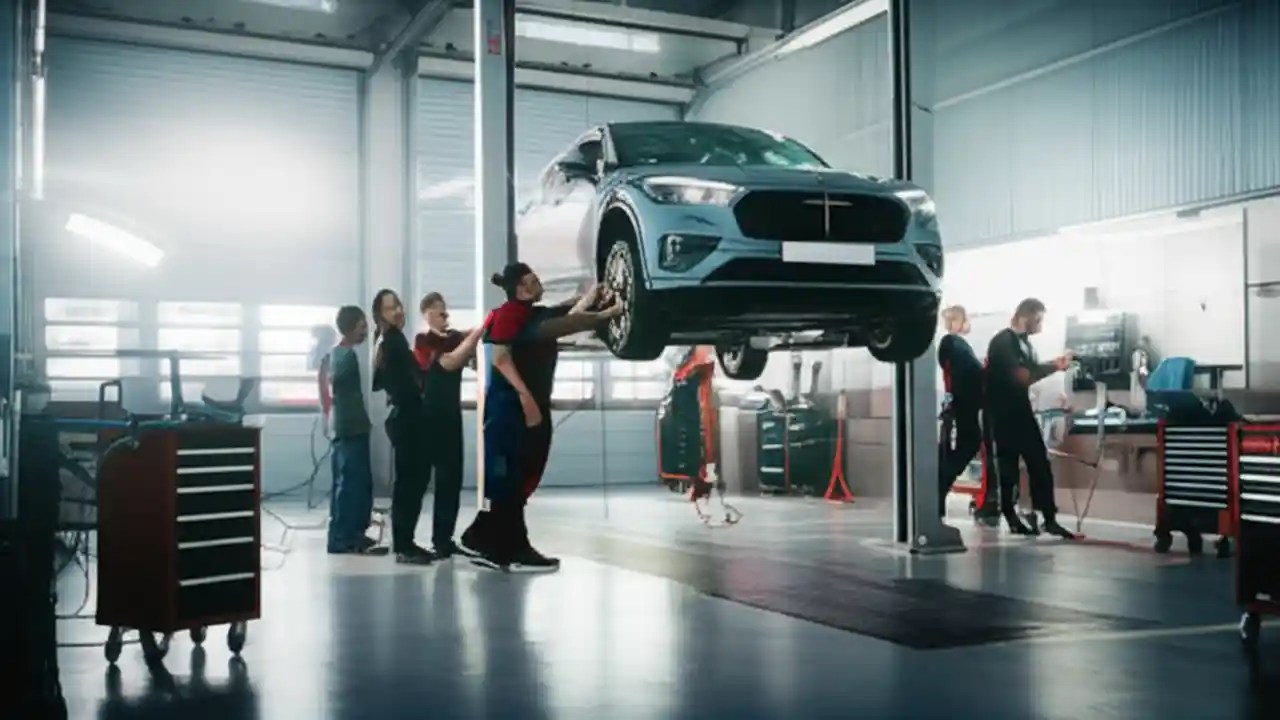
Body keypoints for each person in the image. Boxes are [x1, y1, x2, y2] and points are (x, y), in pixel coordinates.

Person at [460, 262, 621, 572]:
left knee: (517, 477)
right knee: (511, 478)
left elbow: (562, 316)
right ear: (521, 288)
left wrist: (591, 296)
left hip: (524, 406)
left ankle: (480, 537)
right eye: (533, 280)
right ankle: (513, 549)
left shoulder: (529, 314)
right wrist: (525, 397)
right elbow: (500, 357)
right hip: (510, 409)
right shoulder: (508, 315)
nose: (539, 283)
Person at [985, 298, 1077, 539]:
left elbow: (1030, 375)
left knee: (1039, 463)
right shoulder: (1003, 342)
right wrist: (1054, 366)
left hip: (1021, 410)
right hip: (1003, 413)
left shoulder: (1025, 345)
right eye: (1038, 319)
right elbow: (1022, 376)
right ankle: (1010, 515)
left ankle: (1049, 518)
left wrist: (1054, 365)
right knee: (1008, 468)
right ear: (1025, 317)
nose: (1040, 325)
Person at [412, 292, 483, 558]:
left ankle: (444, 539)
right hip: (430, 418)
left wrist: (475, 334)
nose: (444, 316)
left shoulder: (453, 338)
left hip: (452, 417)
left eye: (445, 311)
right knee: (429, 477)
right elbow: (449, 362)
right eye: (438, 311)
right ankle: (412, 539)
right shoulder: (423, 341)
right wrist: (475, 334)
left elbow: (467, 343)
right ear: (426, 313)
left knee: (451, 479)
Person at [370, 288, 437, 565]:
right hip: (408, 418)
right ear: (380, 315)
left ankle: (404, 543)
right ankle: (404, 546)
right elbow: (408, 383)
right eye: (389, 308)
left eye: (398, 304)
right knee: (412, 482)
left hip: (403, 417)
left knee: (410, 482)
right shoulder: (393, 340)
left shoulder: (388, 340)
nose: (398, 310)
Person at [326, 307, 386, 555]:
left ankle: (355, 534)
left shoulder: (343, 354)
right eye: (361, 326)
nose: (365, 330)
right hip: (349, 429)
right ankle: (343, 538)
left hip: (353, 427)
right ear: (350, 328)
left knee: (358, 484)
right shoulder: (343, 356)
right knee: (350, 485)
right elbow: (335, 383)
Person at [937, 305, 986, 518]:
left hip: (959, 405)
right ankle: (941, 484)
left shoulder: (953, 345)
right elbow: (969, 374)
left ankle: (941, 486)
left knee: (955, 449)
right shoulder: (955, 344)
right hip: (964, 405)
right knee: (967, 444)